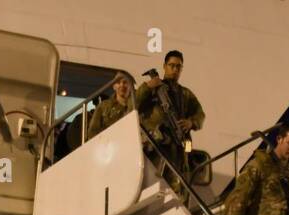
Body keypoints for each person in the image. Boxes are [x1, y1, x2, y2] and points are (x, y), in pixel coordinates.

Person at [136, 50, 204, 192]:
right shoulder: (153, 88)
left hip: (182, 149)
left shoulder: (185, 94)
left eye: (178, 67)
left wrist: (191, 122)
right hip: (157, 148)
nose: (174, 69)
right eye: (171, 65)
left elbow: (200, 115)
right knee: (155, 187)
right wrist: (147, 87)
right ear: (164, 66)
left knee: (180, 189)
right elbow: (132, 105)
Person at [86, 71, 134, 140]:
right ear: (114, 86)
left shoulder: (136, 104)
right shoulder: (103, 106)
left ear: (131, 85)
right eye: (118, 82)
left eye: (125, 82)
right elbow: (92, 132)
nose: (122, 85)